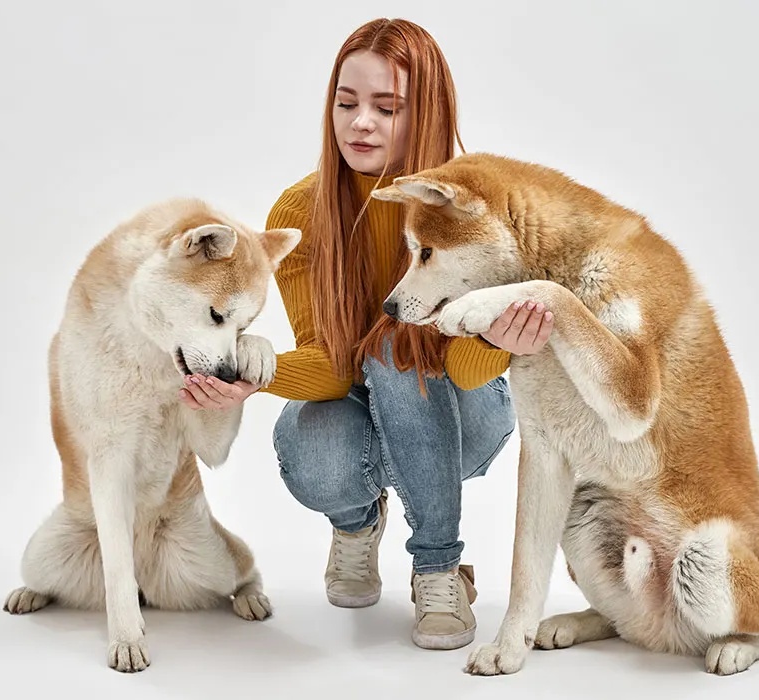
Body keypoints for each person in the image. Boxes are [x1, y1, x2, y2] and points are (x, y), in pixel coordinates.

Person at [177, 17, 553, 651]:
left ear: (426, 111)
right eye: (346, 102)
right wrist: (249, 373)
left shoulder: (465, 210)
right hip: (355, 396)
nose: (360, 123)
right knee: (317, 445)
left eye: (387, 107)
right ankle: (357, 521)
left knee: (395, 348)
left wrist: (497, 341)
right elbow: (328, 367)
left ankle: (439, 568)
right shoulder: (301, 212)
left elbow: (463, 370)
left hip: (465, 406)